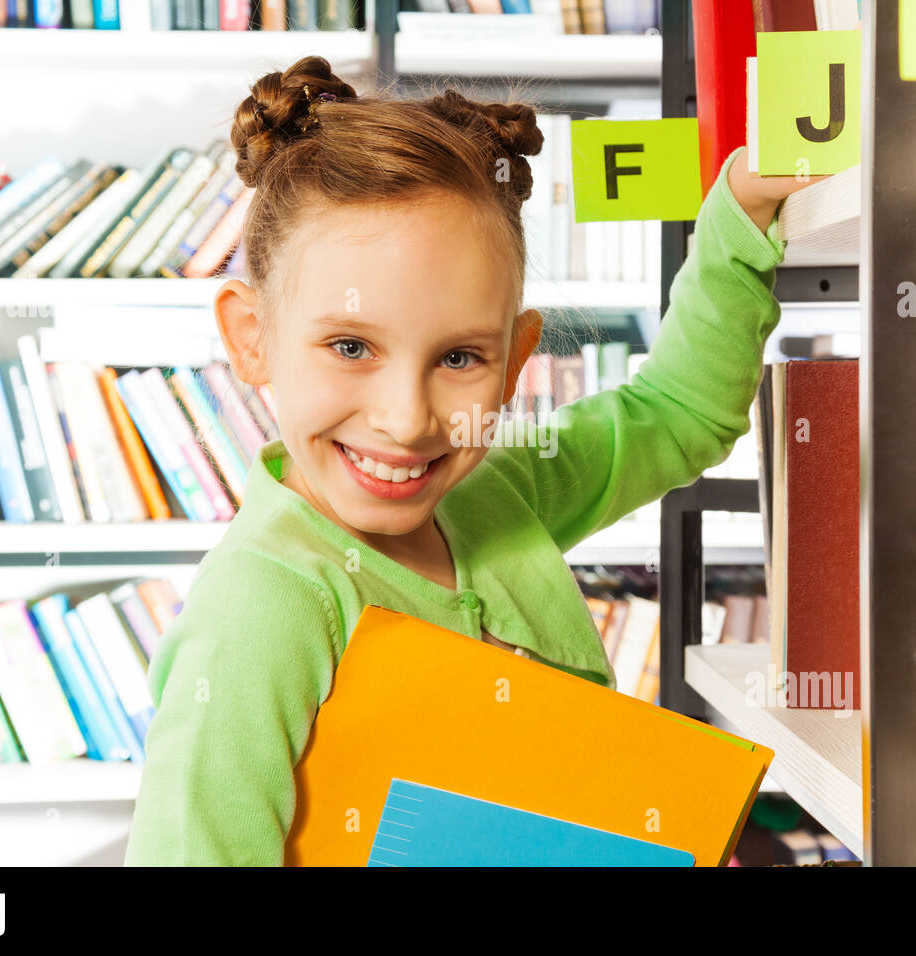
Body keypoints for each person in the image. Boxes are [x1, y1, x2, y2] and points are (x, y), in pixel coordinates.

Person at [123, 54, 812, 866]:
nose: (407, 420)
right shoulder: (264, 604)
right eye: (351, 346)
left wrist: (738, 214)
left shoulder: (498, 492)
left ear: (518, 358)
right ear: (251, 339)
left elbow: (679, 413)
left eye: (459, 359)